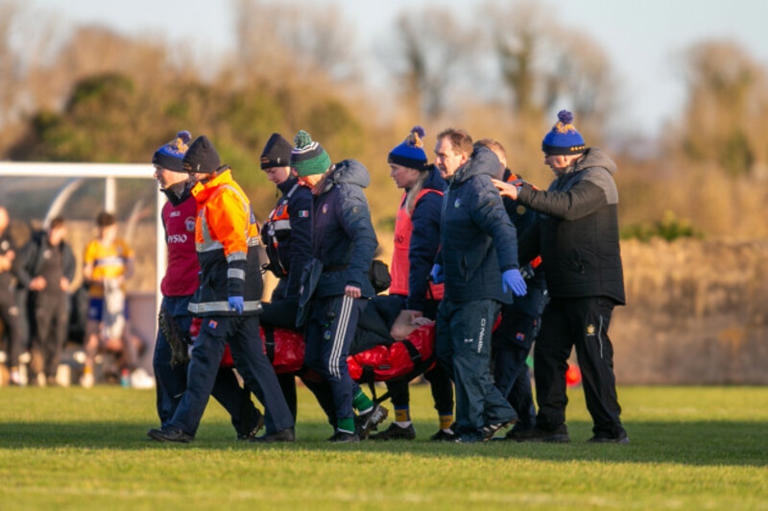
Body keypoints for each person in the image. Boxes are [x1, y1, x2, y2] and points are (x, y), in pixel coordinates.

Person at [148, 135, 294, 443]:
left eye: (191, 171)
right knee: (252, 363)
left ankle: (182, 428)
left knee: (202, 360)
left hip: (228, 296)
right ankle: (281, 426)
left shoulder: (222, 197)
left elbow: (236, 248)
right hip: (231, 294)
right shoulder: (215, 195)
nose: (188, 177)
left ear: (201, 169)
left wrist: (235, 291)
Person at [502, 110, 628, 443]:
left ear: (570, 154)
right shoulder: (561, 183)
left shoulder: (597, 179)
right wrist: (507, 261)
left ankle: (610, 430)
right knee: (547, 353)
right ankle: (551, 425)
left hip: (592, 287)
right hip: (564, 288)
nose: (545, 160)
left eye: (549, 154)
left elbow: (569, 207)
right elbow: (541, 230)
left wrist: (522, 194)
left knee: (593, 356)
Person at [431, 144, 528, 443]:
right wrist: (439, 263)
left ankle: (470, 430)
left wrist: (510, 267)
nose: (436, 161)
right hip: (456, 288)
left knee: (469, 360)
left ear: (462, 157)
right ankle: (498, 411)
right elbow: (451, 234)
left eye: (442, 154)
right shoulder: (452, 189)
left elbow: (503, 229)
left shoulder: (478, 187)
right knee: (445, 353)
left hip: (480, 290)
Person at [292, 130, 384, 442]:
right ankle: (366, 409)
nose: (297, 179)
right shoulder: (321, 195)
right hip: (325, 287)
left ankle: (347, 429)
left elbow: (366, 238)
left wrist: (356, 279)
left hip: (346, 287)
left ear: (315, 169)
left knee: (332, 360)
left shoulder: (345, 194)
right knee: (314, 360)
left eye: (300, 173)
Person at [368, 126, 455, 442]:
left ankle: (447, 425)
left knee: (434, 364)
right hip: (404, 290)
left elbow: (421, 257)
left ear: (415, 170)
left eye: (396, 168)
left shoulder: (429, 200)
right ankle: (403, 422)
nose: (391, 173)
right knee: (395, 358)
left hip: (424, 295)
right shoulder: (411, 195)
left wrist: (415, 304)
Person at [258, 132, 336, 424]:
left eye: (273, 169)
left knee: (301, 360)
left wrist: (297, 293)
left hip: (296, 288)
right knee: (289, 359)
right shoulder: (287, 197)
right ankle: (283, 420)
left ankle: (290, 420)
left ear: (291, 166)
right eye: (265, 171)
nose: (269, 176)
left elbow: (304, 249)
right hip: (285, 285)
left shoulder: (301, 196)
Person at [476, 139, 547, 440]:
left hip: (528, 286)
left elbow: (538, 239)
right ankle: (526, 420)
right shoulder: (486, 194)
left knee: (511, 350)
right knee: (510, 355)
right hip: (505, 285)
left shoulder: (521, 195)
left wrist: (522, 268)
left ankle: (489, 418)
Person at [81, 211, 140, 387]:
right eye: (103, 229)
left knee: (126, 334)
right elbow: (86, 273)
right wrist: (98, 280)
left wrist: (121, 279)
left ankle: (132, 372)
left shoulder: (121, 246)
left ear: (114, 228)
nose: (106, 233)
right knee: (91, 333)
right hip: (98, 297)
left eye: (109, 229)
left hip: (117, 298)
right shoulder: (93, 247)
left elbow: (130, 269)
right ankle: (88, 373)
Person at [15, 217, 75, 386]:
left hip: (59, 299)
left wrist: (68, 279)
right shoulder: (36, 245)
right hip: (42, 298)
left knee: (57, 335)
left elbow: (72, 266)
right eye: (52, 230)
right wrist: (31, 282)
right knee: (40, 335)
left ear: (63, 232)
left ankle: (51, 374)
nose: (53, 234)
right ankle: (34, 374)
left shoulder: (65, 249)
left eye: (57, 231)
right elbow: (19, 266)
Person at [0, 206, 24, 385]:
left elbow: (15, 264)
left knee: (15, 327)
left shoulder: (9, 239)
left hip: (5, 292)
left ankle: (14, 370)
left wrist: (7, 262)